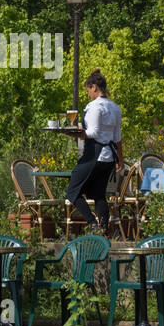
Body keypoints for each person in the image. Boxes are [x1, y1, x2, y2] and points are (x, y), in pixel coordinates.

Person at [65, 69, 123, 235]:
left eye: (88, 90)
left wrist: (73, 133)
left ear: (95, 87)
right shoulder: (115, 107)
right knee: (98, 195)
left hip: (94, 155)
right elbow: (117, 136)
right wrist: (120, 158)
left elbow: (94, 133)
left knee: (72, 192)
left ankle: (92, 223)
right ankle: (103, 231)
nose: (88, 94)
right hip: (109, 158)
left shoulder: (95, 106)